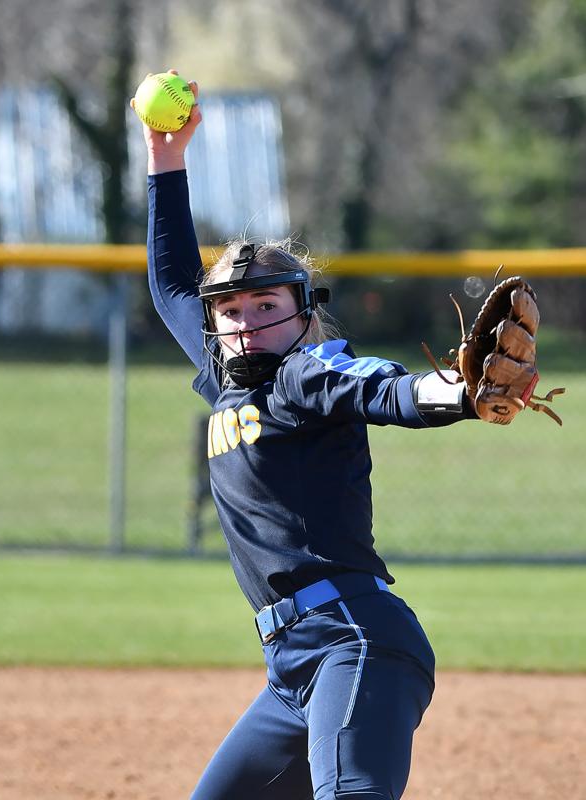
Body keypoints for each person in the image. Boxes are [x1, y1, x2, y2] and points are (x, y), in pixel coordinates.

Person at [135, 73, 477, 800]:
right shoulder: (224, 372)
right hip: (289, 671)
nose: (245, 319)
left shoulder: (306, 371)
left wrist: (457, 390)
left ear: (301, 312)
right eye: (229, 308)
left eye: (266, 302)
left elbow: (381, 388)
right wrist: (165, 162)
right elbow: (170, 282)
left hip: (355, 643)